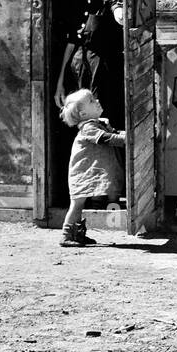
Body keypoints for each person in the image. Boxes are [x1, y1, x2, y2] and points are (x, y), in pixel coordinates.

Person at [56, 0, 125, 130]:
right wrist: (60, 81)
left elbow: (115, 4)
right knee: (78, 123)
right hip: (77, 73)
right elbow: (71, 43)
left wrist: (120, 13)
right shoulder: (76, 1)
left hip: (102, 75)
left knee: (103, 123)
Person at [59, 89, 125, 248]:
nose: (97, 101)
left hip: (86, 173)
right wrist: (128, 138)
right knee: (76, 204)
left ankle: (78, 234)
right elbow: (107, 138)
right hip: (81, 175)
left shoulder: (98, 124)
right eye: (91, 101)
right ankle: (66, 235)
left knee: (78, 204)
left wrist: (125, 134)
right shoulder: (88, 127)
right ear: (82, 114)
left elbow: (115, 133)